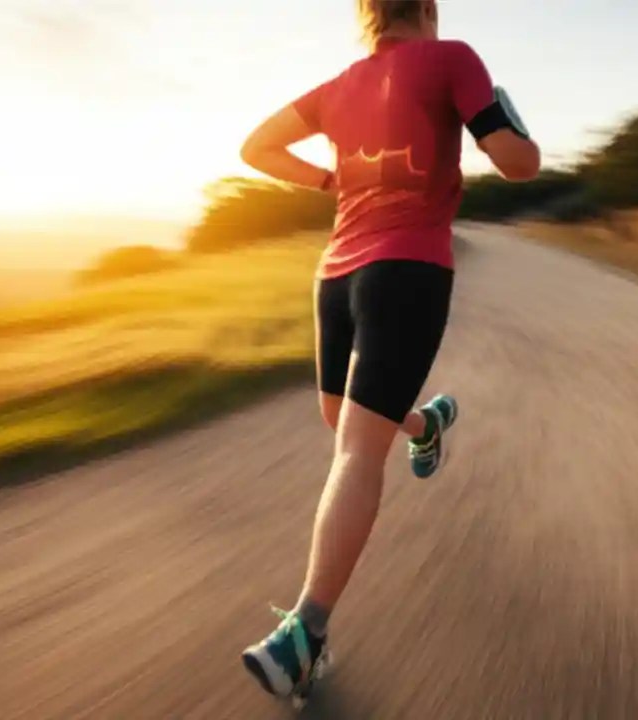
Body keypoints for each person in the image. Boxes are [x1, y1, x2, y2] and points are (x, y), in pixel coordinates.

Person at [237, 0, 541, 701]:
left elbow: (255, 147)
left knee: (353, 445)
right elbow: (519, 164)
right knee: (345, 423)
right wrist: (507, 119)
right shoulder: (453, 59)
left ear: (367, 17)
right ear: (427, 11)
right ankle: (424, 424)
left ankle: (305, 635)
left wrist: (326, 180)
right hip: (375, 271)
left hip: (352, 273)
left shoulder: (339, 86)